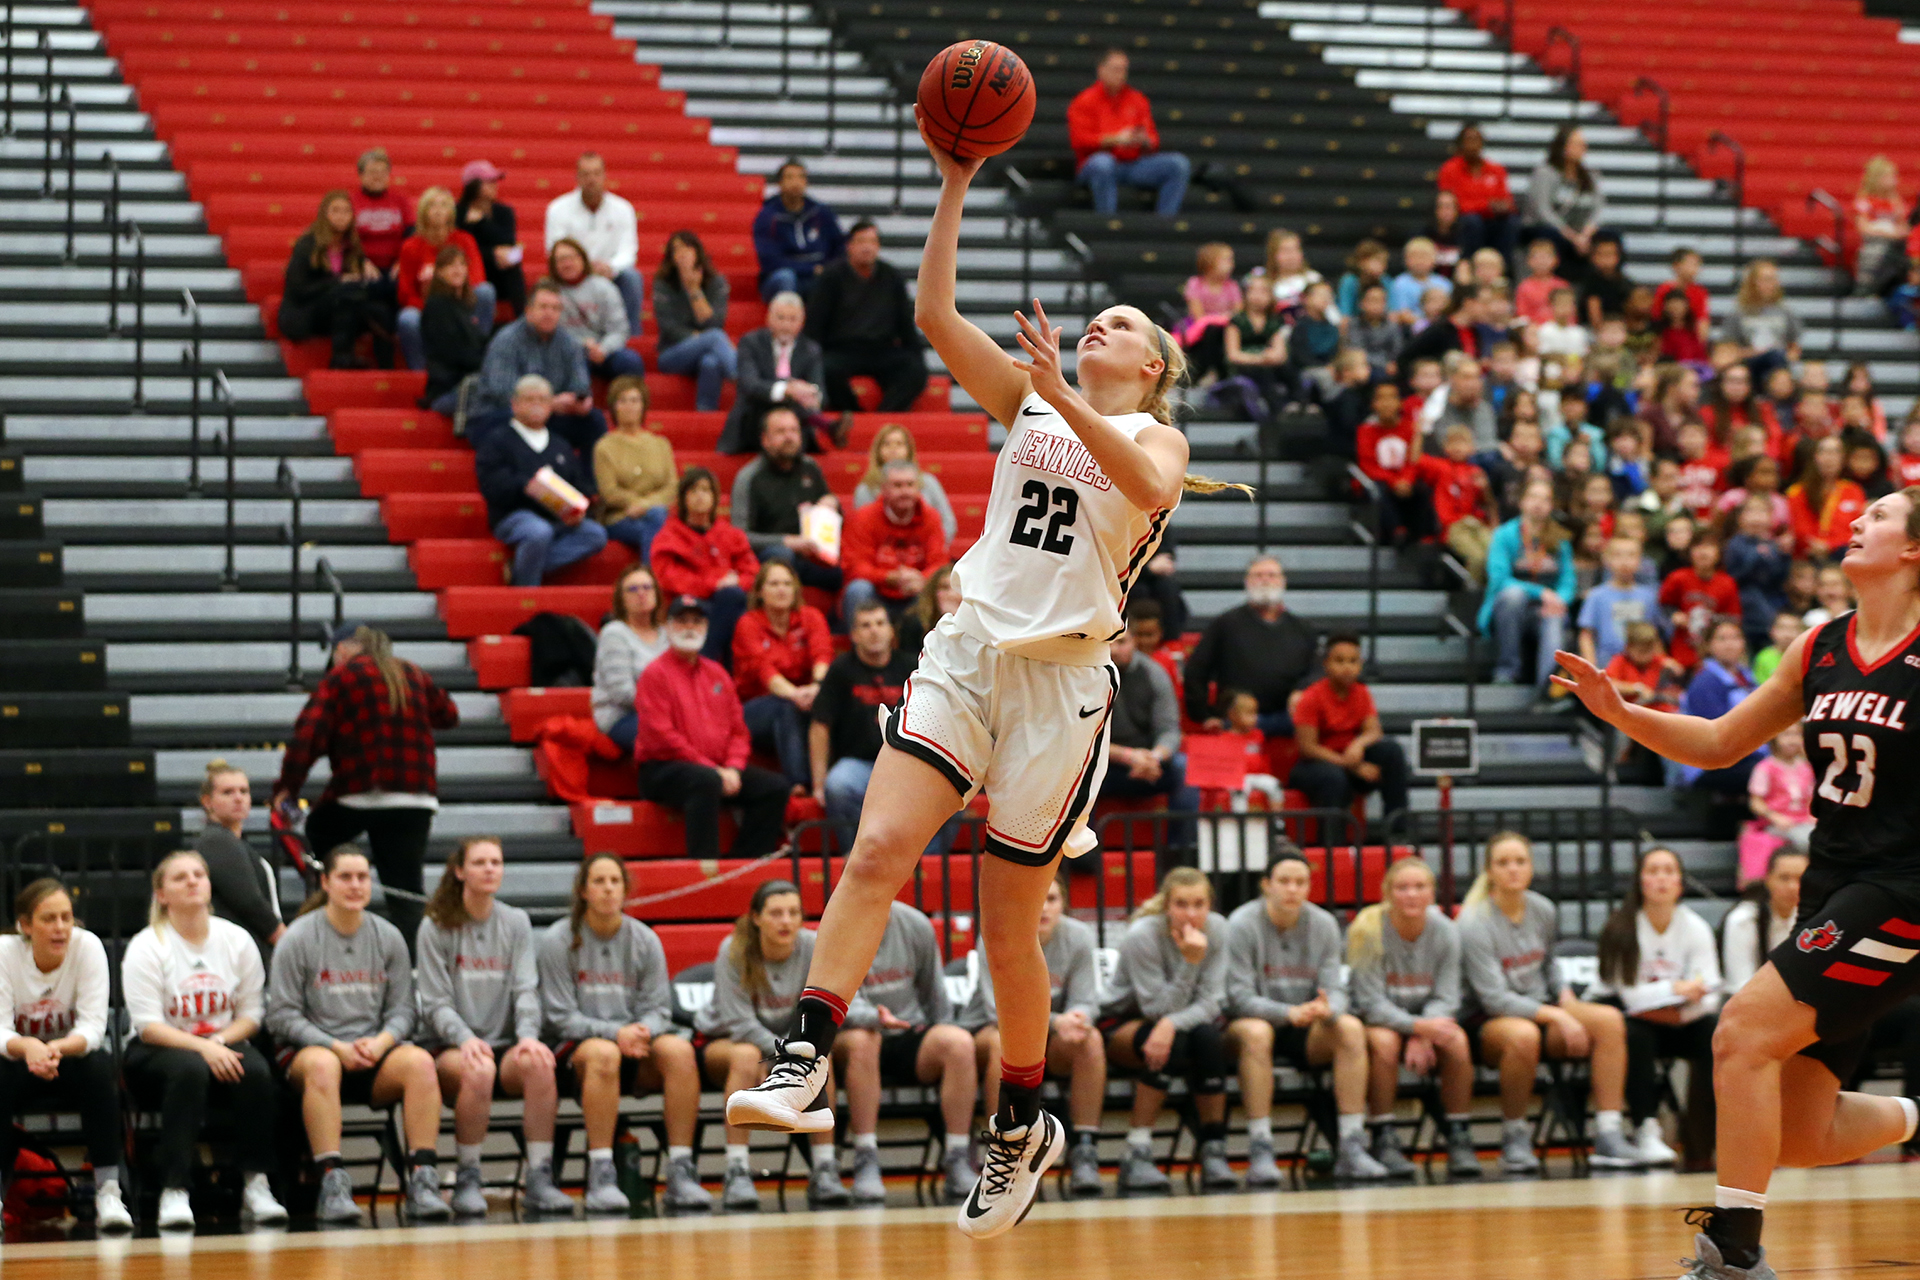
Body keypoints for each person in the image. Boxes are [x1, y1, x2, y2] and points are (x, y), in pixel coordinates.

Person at [724, 120, 1250, 1240]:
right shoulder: (1028, 396)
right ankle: (804, 1053)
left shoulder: (1153, 437)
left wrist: (1064, 392)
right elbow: (930, 315)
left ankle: (1021, 1120)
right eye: (1094, 316)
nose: (1100, 320)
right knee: (873, 848)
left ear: (1151, 365)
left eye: (1125, 324)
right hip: (967, 655)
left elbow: (1140, 484)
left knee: (1007, 925)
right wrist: (954, 182)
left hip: (1062, 689)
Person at [266, 845, 449, 1224]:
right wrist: (334, 1046)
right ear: (325, 882)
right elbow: (281, 1016)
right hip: (315, 1052)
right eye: (345, 877)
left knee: (419, 1063)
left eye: (362, 877)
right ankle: (332, 1183)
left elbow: (403, 1010)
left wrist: (382, 1041)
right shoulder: (298, 938)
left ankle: (423, 1179)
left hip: (372, 1054)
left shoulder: (389, 937)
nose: (355, 885)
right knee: (322, 1066)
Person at [1457, 833, 1643, 1171]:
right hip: (1487, 1020)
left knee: (1609, 1020)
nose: (1513, 869)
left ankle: (1608, 1132)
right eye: (1503, 863)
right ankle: (1514, 1135)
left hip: (1542, 1010)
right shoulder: (1474, 922)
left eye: (1520, 862)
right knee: (1523, 1036)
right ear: (1488, 871)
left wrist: (1564, 995)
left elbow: (1549, 963)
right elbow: (1494, 999)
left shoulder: (1542, 909)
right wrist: (1557, 1016)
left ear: (1531, 868)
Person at [121, 851, 286, 1230]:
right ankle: (174, 1189)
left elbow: (251, 1015)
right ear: (161, 894)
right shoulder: (148, 945)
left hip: (222, 1041)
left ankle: (256, 1183)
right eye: (181, 878)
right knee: (191, 1070)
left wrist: (220, 1041)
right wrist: (205, 1047)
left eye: (199, 874)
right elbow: (148, 1026)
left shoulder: (236, 939)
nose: (193, 881)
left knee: (257, 1071)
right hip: (156, 1051)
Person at [537, 854, 711, 1213]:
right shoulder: (558, 939)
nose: (608, 889)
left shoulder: (644, 939)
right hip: (581, 1051)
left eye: (615, 881)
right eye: (599, 881)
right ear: (583, 891)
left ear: (625, 889)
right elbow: (559, 1016)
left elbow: (659, 1008)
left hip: (637, 1045)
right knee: (604, 1054)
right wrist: (616, 1033)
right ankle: (601, 1172)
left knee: (679, 1052)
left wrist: (642, 1032)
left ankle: (680, 1170)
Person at [275, 623, 457, 953]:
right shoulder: (412, 673)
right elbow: (449, 714)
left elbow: (308, 736)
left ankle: (323, 936)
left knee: (320, 843)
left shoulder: (343, 677)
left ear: (343, 648)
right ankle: (414, 971)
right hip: (415, 797)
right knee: (406, 890)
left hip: (360, 792)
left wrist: (287, 787)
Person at [415, 837, 573, 1216]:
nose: (490, 869)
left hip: (504, 1043)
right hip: (449, 1044)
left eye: (496, 862)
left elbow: (526, 989)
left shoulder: (515, 921)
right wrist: (465, 1039)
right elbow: (436, 1003)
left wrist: (529, 1038)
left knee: (540, 1063)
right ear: (459, 871)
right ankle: (469, 1174)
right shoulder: (435, 926)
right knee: (478, 1069)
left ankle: (539, 1175)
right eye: (480, 862)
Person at [695, 881, 872, 1209]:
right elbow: (740, 1024)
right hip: (729, 1041)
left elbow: (838, 1003)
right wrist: (788, 1056)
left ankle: (824, 1167)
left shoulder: (814, 945)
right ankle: (736, 1169)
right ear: (756, 918)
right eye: (776, 913)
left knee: (818, 1056)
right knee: (750, 1057)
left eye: (793, 913)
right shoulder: (733, 950)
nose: (786, 921)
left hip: (789, 1048)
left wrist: (793, 1055)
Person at [1225, 852, 1387, 1183]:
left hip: (1305, 1025)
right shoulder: (1242, 923)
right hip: (1251, 1025)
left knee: (1350, 1027)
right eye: (1284, 881)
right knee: (1257, 1033)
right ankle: (1261, 1147)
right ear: (1266, 885)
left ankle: (1352, 1146)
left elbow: (1336, 989)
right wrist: (1287, 1012)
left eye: (1300, 882)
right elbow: (1238, 998)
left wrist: (1329, 1009)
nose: (1292, 889)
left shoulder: (1324, 923)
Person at [962, 867, 1105, 1197]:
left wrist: (1077, 1019)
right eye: (1037, 899)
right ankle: (1003, 1152)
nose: (1043, 907)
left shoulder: (1079, 937)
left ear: (1063, 904)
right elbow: (993, 1009)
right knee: (1002, 1043)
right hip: (988, 1029)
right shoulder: (998, 936)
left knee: (1091, 1040)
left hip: (1049, 1038)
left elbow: (1088, 1001)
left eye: (1052, 899)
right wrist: (1058, 1022)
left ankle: (1085, 1149)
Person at [1, 878, 131, 1231]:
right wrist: (28, 1047)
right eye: (48, 919)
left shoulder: (87, 947)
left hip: (69, 1058)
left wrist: (52, 1049)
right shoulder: (4, 954)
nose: (60, 928)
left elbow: (92, 1028)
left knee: (101, 1069)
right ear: (25, 925)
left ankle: (108, 1190)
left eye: (66, 917)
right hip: (17, 1060)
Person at [1100, 868, 1235, 1193]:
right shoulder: (1142, 935)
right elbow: (1154, 1009)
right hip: (1122, 1020)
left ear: (1210, 905)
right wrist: (1190, 963)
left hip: (1179, 1023)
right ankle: (1138, 1150)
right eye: (1181, 904)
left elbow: (1212, 1001)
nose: (1191, 913)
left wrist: (1171, 1024)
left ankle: (1213, 1148)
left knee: (1207, 1038)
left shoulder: (1218, 930)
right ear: (1166, 906)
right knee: (1170, 1042)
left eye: (1199, 904)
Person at [1587, 847, 1721, 1171]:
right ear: (1640, 881)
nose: (1661, 878)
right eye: (1653, 870)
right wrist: (1676, 989)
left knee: (1717, 1033)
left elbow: (1711, 993)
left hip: (1680, 1019)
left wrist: (1676, 1011)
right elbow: (1630, 999)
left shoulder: (1696, 928)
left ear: (1680, 883)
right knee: (1634, 1034)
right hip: (1625, 1020)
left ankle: (1705, 1140)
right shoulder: (1622, 928)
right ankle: (1646, 1128)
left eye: (1669, 870)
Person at [836, 901, 977, 1202]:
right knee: (864, 1041)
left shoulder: (916, 924)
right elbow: (838, 1002)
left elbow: (935, 996)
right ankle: (865, 1157)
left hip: (908, 1033)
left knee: (960, 1043)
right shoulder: (836, 927)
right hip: (856, 1036)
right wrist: (876, 1018)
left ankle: (957, 1155)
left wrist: (944, 1032)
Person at [1346, 857, 1478, 1177]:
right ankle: (1383, 1134)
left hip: (1427, 1019)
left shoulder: (1446, 931)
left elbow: (1448, 996)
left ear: (1432, 894)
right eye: (1402, 887)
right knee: (1384, 1042)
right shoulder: (1368, 930)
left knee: (1456, 1040)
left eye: (1419, 887)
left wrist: (1424, 1031)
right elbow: (1370, 1002)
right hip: (1381, 1020)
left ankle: (1458, 1134)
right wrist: (1416, 1026)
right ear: (1387, 893)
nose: (1411, 894)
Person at [633, 594, 792, 860]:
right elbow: (660, 736)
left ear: (706, 628)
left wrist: (732, 767)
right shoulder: (654, 674)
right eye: (682, 621)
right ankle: (705, 866)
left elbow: (739, 731)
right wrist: (714, 770)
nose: (690, 628)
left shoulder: (717, 673)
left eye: (697, 621)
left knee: (775, 788)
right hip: (663, 769)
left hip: (718, 768)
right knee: (705, 782)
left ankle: (745, 864)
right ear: (669, 627)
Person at [473, 374, 610, 586]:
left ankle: (520, 567)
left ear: (550, 405)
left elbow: (576, 484)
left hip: (558, 517)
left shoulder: (560, 445)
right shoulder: (497, 441)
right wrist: (526, 486)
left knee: (595, 534)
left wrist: (579, 510)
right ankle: (526, 592)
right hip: (514, 516)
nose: (537, 405)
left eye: (543, 400)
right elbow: (491, 485)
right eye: (530, 399)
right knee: (538, 532)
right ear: (514, 404)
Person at [1184, 556, 1321, 734]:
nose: (1265, 580)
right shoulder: (1225, 624)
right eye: (1258, 575)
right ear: (1247, 582)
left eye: (1271, 575)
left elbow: (1318, 669)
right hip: (1236, 721)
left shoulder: (1303, 628)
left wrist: (1302, 690)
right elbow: (1196, 670)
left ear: (1283, 582)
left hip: (1289, 718)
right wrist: (1204, 715)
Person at [1287, 633, 1410, 824]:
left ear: (1360, 665)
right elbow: (1307, 748)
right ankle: (1332, 847)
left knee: (1392, 751)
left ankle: (1397, 831)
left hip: (1349, 761)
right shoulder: (1311, 697)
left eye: (1353, 661)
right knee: (1333, 778)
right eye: (1339, 661)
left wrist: (1358, 745)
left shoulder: (1362, 692)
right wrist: (1352, 765)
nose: (1347, 667)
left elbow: (1374, 731)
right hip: (1314, 766)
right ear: (1326, 664)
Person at [805, 221, 928, 413]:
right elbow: (814, 324)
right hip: (842, 349)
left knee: (914, 370)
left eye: (872, 242)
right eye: (861, 241)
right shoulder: (831, 277)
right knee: (824, 369)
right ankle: (854, 414)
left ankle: (884, 416)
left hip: (882, 349)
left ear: (878, 246)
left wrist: (917, 357)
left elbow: (906, 324)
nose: (867, 247)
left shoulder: (892, 277)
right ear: (849, 246)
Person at [468, 282, 603, 454]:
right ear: (528, 311)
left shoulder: (569, 342)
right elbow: (502, 392)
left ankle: (585, 481)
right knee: (508, 422)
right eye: (543, 307)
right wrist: (549, 404)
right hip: (503, 415)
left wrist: (580, 401)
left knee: (594, 421)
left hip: (549, 416)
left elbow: (580, 384)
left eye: (555, 308)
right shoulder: (507, 340)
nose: (549, 313)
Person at [733, 559, 833, 789]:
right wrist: (797, 695)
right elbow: (764, 672)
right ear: (759, 592)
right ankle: (799, 785)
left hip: (806, 697)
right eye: (774, 584)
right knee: (785, 708)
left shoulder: (811, 616)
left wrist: (816, 686)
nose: (781, 589)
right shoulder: (748, 623)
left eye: (787, 584)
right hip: (754, 708)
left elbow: (823, 654)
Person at [647, 466, 756, 663]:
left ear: (715, 497)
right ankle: (711, 664)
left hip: (728, 600)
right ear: (683, 498)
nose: (700, 496)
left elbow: (752, 571)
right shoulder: (668, 536)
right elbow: (668, 578)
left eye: (706, 490)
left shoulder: (730, 534)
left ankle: (710, 667)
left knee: (735, 601)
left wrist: (738, 581)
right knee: (733, 602)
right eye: (693, 490)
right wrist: (716, 583)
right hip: (688, 603)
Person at [1480, 478, 1577, 701]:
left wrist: (1559, 600)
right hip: (1508, 611)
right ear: (1522, 501)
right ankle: (1507, 670)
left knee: (1554, 616)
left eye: (1545, 499)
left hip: (1543, 612)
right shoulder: (1505, 534)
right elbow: (1499, 579)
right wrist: (1541, 593)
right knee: (1512, 595)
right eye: (1533, 497)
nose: (1538, 503)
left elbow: (1568, 581)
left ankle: (1548, 689)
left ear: (1551, 506)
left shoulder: (1560, 538)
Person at [731, 405, 843, 594]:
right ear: (765, 440)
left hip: (811, 554)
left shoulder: (810, 468)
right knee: (783, 557)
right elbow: (739, 537)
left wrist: (832, 503)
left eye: (793, 430)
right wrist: (786, 541)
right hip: (770, 557)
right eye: (780, 432)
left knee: (839, 574)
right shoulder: (750, 477)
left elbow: (834, 513)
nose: (789, 437)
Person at [1098, 627, 1199, 834]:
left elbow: (1170, 730)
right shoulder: (1089, 677)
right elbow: (1085, 741)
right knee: (1077, 772)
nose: (1115, 650)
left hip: (1149, 762)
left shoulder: (1153, 673)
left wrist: (1155, 757)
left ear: (1134, 641)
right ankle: (1081, 862)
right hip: (1104, 763)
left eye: (1122, 642)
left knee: (1185, 768)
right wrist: (1128, 756)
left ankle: (1180, 853)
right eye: (1109, 643)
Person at [1067, 48, 1190, 216]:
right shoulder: (1084, 101)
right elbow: (1080, 141)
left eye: (1124, 69)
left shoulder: (1137, 99)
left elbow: (1153, 140)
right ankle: (1107, 222)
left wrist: (1144, 140)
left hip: (1132, 163)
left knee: (1178, 164)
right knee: (1103, 163)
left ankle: (1164, 224)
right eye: (1116, 69)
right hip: (1095, 162)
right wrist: (1116, 139)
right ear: (1101, 70)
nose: (1121, 74)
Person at [721, 290, 845, 455]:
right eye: (781, 318)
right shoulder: (750, 342)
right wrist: (788, 390)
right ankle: (826, 425)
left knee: (795, 401)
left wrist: (809, 394)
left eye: (792, 319)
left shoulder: (810, 349)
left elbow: (820, 393)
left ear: (802, 322)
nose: (786, 325)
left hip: (794, 422)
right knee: (784, 398)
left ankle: (820, 423)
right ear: (768, 318)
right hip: (754, 419)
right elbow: (749, 385)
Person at [278, 189, 389, 369]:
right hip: (306, 312)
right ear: (324, 214)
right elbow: (298, 289)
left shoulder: (352, 246)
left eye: (346, 211)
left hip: (340, 311)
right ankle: (341, 357)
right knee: (346, 293)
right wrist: (338, 282)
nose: (341, 216)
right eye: (335, 210)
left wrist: (364, 264)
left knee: (377, 307)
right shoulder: (308, 244)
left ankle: (387, 368)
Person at [395, 185, 494, 371]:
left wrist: (455, 307)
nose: (439, 210)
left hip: (461, 305)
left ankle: (479, 359)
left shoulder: (465, 240)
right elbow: (405, 291)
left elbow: (476, 279)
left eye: (444, 205)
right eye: (433, 205)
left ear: (451, 211)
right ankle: (420, 372)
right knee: (407, 319)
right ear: (424, 212)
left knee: (486, 291)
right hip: (427, 310)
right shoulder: (411, 246)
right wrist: (434, 310)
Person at [840, 460, 948, 631]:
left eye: (910, 485)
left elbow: (939, 564)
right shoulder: (863, 517)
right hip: (877, 593)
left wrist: (921, 579)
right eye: (897, 485)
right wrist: (890, 577)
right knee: (857, 590)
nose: (905, 491)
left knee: (942, 590)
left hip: (916, 591)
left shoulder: (931, 517)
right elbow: (855, 567)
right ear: (883, 489)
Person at [544, 151, 643, 336]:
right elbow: (555, 249)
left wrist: (611, 267)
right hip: (572, 272)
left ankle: (631, 337)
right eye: (586, 174)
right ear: (577, 177)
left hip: (611, 273)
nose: (592, 179)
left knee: (632, 278)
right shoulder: (558, 209)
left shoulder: (623, 209)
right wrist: (584, 268)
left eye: (596, 173)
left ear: (605, 176)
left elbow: (629, 251)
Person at [194, 759, 283, 958]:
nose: (238, 798)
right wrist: (283, 940)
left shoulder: (232, 841)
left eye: (244, 791)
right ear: (207, 801)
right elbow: (249, 902)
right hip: (236, 955)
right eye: (228, 792)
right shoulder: (216, 841)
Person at [593, 374, 678, 562]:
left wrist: (645, 505)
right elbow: (609, 491)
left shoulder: (661, 444)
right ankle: (652, 580)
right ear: (614, 407)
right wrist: (634, 504)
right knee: (659, 529)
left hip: (656, 512)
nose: (629, 406)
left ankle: (649, 577)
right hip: (621, 517)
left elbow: (672, 487)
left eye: (634, 400)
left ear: (643, 405)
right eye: (623, 401)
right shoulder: (604, 446)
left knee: (656, 520)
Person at [653, 230, 737, 411]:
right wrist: (698, 338)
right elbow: (668, 328)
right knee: (714, 338)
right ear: (671, 256)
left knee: (711, 363)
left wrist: (694, 290)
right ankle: (742, 379)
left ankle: (705, 413)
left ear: (698, 252)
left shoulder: (716, 282)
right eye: (676, 249)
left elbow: (715, 323)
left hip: (706, 349)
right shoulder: (664, 283)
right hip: (672, 352)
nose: (682, 253)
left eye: (687, 248)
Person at [592, 564, 667, 754]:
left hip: (665, 715)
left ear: (657, 594)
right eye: (632, 589)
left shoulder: (667, 634)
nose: (641, 593)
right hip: (622, 717)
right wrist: (667, 708)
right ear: (622, 599)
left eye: (647, 587)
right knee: (665, 739)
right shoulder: (615, 634)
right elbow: (622, 694)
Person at [751, 158, 845, 302]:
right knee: (785, 277)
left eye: (801, 177)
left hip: (818, 276)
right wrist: (811, 269)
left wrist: (828, 269)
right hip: (780, 279)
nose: (796, 182)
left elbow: (840, 246)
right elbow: (770, 262)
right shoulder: (767, 217)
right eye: (790, 177)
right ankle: (787, 320)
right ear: (780, 183)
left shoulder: (821, 213)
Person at [550, 237, 643, 381]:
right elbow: (546, 331)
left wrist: (603, 349)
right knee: (572, 360)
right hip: (566, 353)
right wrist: (581, 345)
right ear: (553, 264)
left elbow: (619, 330)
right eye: (561, 259)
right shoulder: (548, 292)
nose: (567, 264)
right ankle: (582, 403)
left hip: (604, 350)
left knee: (631, 361)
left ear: (583, 259)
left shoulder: (604, 288)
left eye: (571, 258)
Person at [1724, 848, 1810, 996]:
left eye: (1800, 879)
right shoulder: (1743, 920)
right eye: (1784, 878)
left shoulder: (1817, 919)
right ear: (1768, 879)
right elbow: (1739, 984)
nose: (1793, 887)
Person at [854, 423, 959, 543]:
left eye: (899, 444)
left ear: (909, 450)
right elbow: (863, 529)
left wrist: (930, 549)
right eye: (887, 444)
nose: (893, 449)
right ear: (878, 451)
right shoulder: (866, 488)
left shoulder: (928, 483)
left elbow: (948, 522)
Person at [419, 245, 488, 418]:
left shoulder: (464, 305)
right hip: (448, 391)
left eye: (462, 265)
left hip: (467, 383)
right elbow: (452, 354)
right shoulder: (437, 306)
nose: (458, 270)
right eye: (451, 265)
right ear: (440, 272)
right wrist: (488, 367)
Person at [1526, 124, 1606, 271]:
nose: (1582, 148)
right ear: (1562, 146)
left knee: (1609, 238)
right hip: (1551, 227)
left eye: (1583, 144)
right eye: (1576, 144)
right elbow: (1543, 210)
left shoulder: (1590, 175)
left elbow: (1598, 207)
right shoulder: (1545, 173)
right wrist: (1570, 235)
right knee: (1553, 237)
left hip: (1580, 229)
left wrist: (1587, 233)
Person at [1579, 535, 1665, 671]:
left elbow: (1654, 635)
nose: (1624, 561)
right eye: (1618, 555)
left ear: (1640, 560)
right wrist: (1591, 667)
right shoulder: (1596, 596)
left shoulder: (1648, 596)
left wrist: (1662, 663)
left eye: (1631, 555)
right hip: (1607, 665)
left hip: (1641, 667)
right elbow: (1586, 636)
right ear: (1606, 559)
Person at [1438, 122, 1517, 261]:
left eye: (1476, 140)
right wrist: (1486, 206)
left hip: (1492, 220)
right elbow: (1452, 204)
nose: (1472, 145)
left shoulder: (1496, 169)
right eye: (1468, 140)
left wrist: (1502, 207)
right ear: (1460, 144)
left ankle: (1503, 267)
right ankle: (1469, 264)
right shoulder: (1449, 169)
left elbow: (1506, 202)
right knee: (1472, 222)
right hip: (1464, 220)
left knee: (1511, 222)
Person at [456, 158, 525, 318]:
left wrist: (482, 222)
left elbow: (509, 243)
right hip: (468, 271)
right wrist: (492, 253)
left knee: (512, 263)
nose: (495, 185)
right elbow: (459, 249)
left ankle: (523, 318)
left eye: (495, 181)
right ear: (473, 187)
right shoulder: (458, 212)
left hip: (497, 271)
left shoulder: (504, 212)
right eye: (489, 181)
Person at [349, 147, 411, 302]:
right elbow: (345, 238)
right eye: (372, 172)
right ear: (360, 175)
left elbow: (411, 233)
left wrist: (402, 261)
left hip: (395, 267)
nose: (378, 177)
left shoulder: (400, 200)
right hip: (362, 265)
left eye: (382, 172)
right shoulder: (350, 202)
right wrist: (361, 262)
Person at [1729, 260, 1803, 375]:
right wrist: (1755, 353)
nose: (1769, 284)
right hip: (1750, 363)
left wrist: (1788, 357)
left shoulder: (1786, 312)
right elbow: (1729, 350)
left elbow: (1794, 347)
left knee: (1776, 358)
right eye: (1764, 279)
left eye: (1773, 279)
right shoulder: (1739, 313)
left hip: (1778, 364)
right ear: (1752, 282)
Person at [897, 562, 960, 657]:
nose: (951, 594)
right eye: (944, 588)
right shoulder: (914, 622)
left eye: (956, 587)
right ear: (933, 592)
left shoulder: (978, 621)